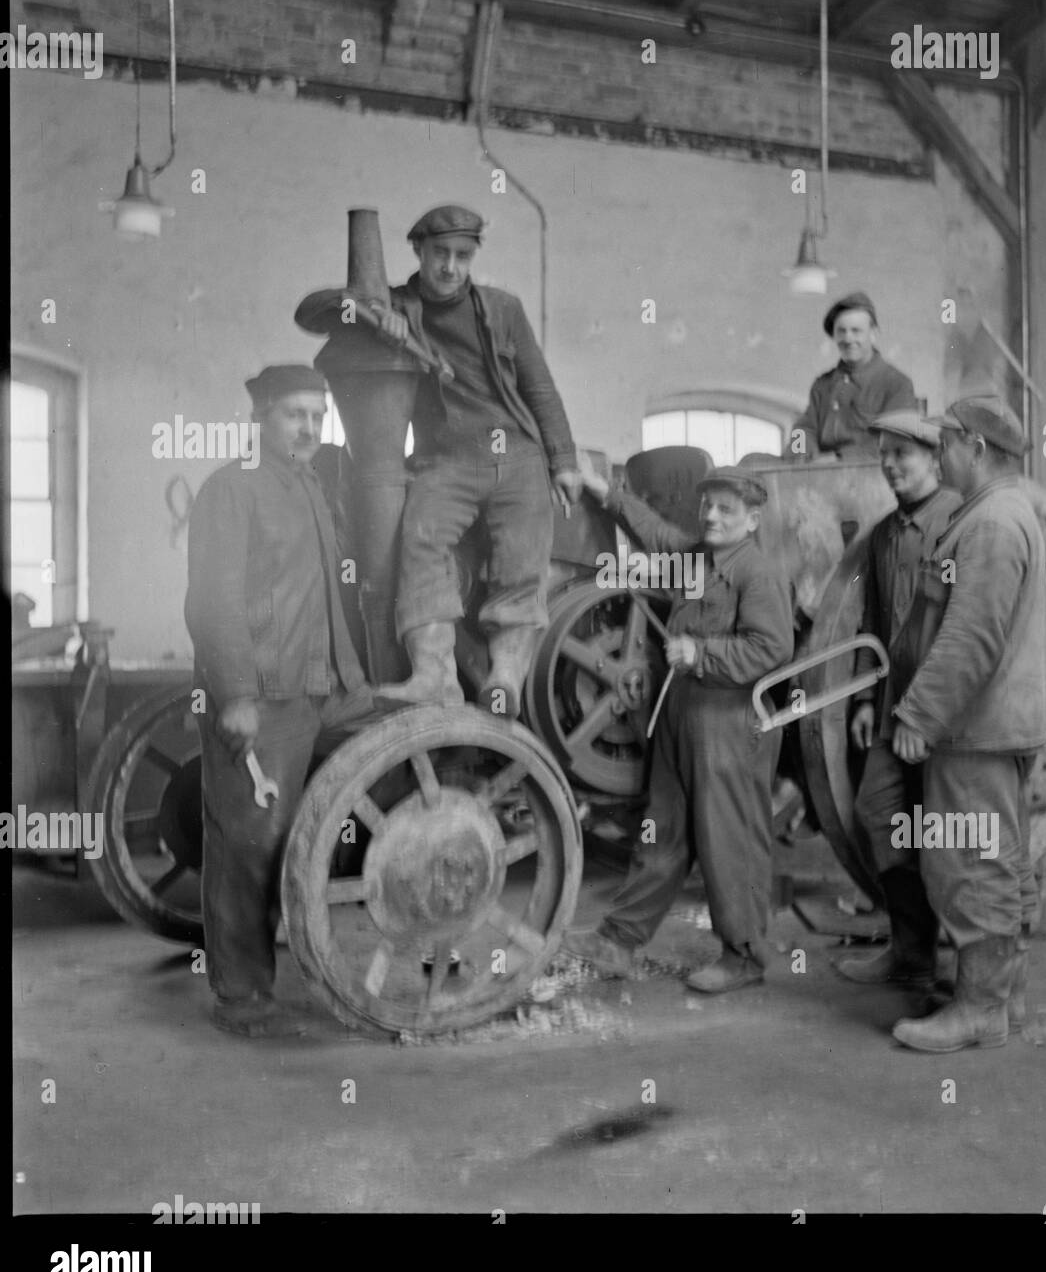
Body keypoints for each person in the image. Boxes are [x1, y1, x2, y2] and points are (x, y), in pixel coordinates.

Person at [317, 204, 583, 716]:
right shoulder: (398, 303)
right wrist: (376, 315)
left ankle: (504, 677)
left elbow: (540, 388)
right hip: (446, 462)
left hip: (518, 455)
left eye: (463, 256)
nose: (451, 267)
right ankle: (435, 676)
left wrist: (564, 461)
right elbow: (320, 310)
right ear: (418, 250)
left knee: (521, 562)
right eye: (441, 254)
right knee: (419, 543)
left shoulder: (504, 309)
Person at [185, 366, 376, 1037]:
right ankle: (241, 997)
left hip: (313, 691)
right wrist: (236, 695)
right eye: (294, 414)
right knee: (247, 845)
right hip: (260, 700)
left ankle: (265, 974)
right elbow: (211, 602)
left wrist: (351, 683)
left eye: (317, 416)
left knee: (283, 840)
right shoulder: (230, 489)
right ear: (260, 417)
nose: (308, 428)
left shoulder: (308, 487)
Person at [563, 464, 794, 993]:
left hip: (730, 718)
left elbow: (772, 647)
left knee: (728, 836)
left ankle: (745, 955)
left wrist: (699, 651)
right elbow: (659, 534)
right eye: (706, 505)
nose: (711, 515)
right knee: (661, 828)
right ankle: (619, 940)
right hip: (682, 708)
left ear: (753, 518)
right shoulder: (696, 559)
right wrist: (608, 493)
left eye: (725, 509)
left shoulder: (756, 573)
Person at [885, 394, 1046, 1052]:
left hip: (975, 729)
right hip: (992, 726)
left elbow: (971, 637)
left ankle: (979, 1007)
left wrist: (920, 714)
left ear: (977, 448)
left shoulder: (991, 524)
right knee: (998, 859)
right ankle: (1000, 997)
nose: (939, 450)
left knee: (968, 864)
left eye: (946, 440)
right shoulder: (995, 513)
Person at [832, 411, 960, 993]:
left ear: (936, 460)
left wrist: (929, 711)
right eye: (883, 454)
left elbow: (967, 630)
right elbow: (872, 625)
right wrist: (865, 699)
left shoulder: (959, 524)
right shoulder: (885, 534)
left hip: (946, 719)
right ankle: (911, 953)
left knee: (946, 836)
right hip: (891, 710)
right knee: (879, 810)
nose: (889, 465)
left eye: (901, 455)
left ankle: (963, 971)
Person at [786, 291, 916, 460]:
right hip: (820, 471)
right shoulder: (822, 384)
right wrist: (801, 453)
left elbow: (894, 440)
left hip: (872, 475)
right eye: (841, 331)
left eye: (856, 331)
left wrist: (838, 458)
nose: (848, 338)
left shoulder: (897, 384)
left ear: (873, 334)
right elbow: (804, 427)